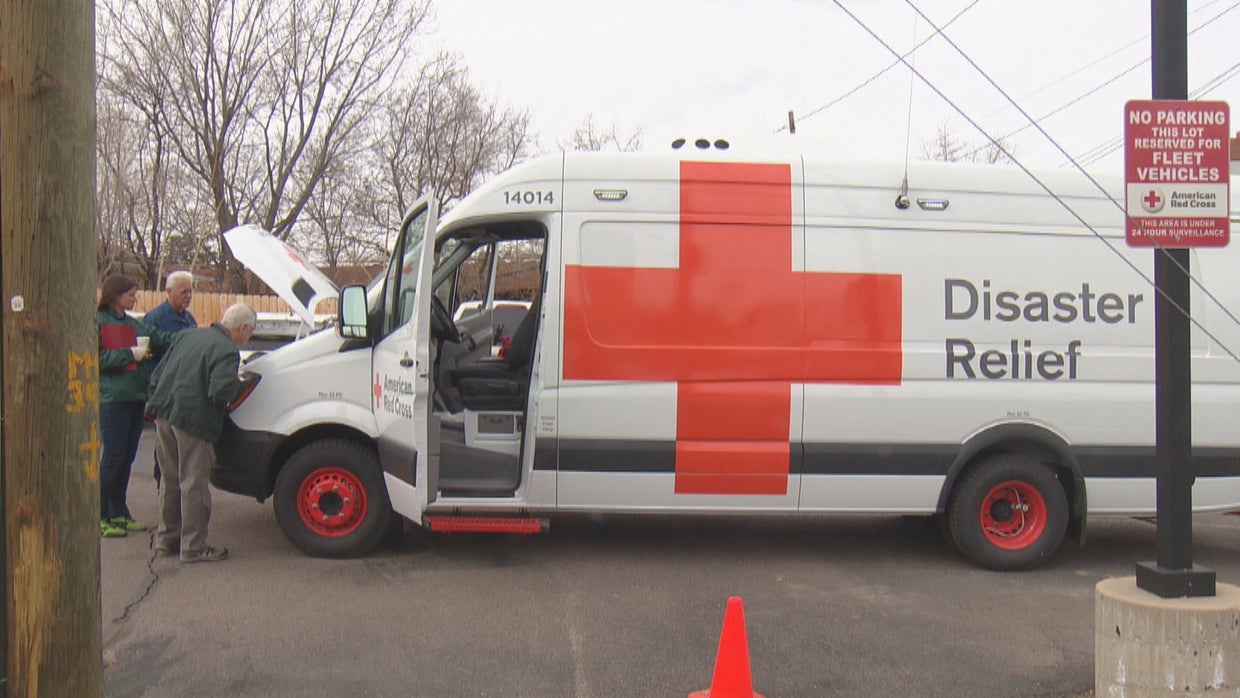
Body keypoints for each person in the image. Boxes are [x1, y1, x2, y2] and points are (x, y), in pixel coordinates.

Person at [147, 303, 256, 563]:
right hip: (194, 421)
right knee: (193, 483)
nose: (248, 337)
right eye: (250, 332)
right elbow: (219, 390)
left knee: (170, 479)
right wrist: (241, 386)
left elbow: (158, 373)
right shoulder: (227, 350)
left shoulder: (189, 334)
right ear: (242, 328)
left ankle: (166, 540)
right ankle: (193, 546)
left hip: (164, 412)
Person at [97, 274, 172, 538]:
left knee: (127, 457)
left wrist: (188, 337)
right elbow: (95, 358)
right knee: (113, 455)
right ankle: (102, 515)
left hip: (135, 396)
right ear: (116, 295)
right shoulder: (98, 321)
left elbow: (158, 336)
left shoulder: (133, 323)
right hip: (112, 398)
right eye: (131, 293)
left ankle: (119, 511)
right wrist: (129, 354)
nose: (135, 297)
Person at [140, 271, 197, 488]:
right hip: (164, 391)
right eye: (184, 291)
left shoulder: (188, 319)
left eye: (191, 291)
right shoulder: (155, 319)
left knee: (179, 445)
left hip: (182, 390)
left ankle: (175, 488)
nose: (188, 296)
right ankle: (162, 486)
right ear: (169, 292)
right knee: (164, 444)